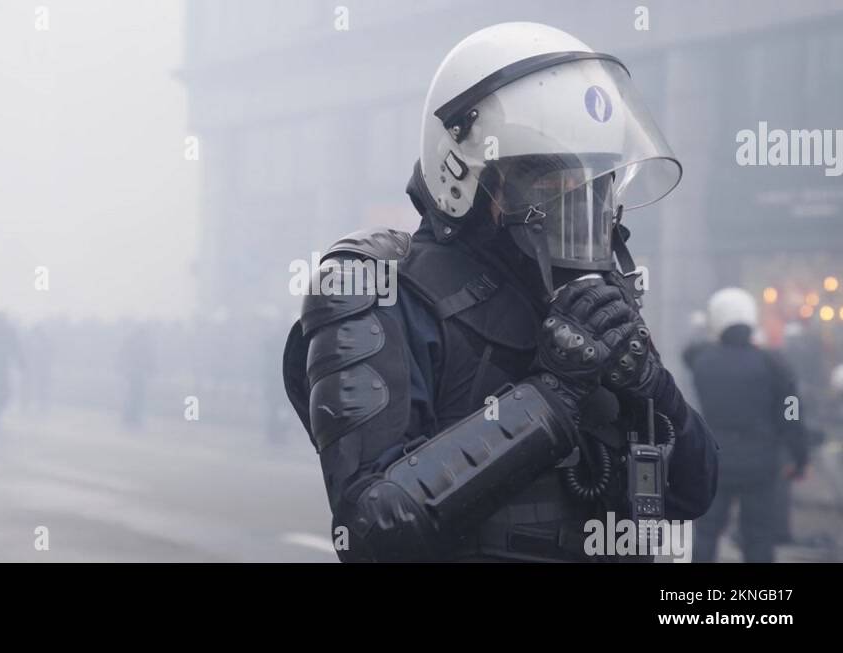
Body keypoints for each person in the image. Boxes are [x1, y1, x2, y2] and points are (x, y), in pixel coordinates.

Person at [282, 23, 718, 562]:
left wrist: (652, 388)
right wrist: (552, 395)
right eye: (546, 183)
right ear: (463, 173)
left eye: (593, 185)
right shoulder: (376, 286)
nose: (575, 208)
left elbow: (694, 492)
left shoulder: (593, 296)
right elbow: (374, 526)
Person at [688, 288, 808, 562]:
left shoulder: (702, 361)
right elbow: (791, 411)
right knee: (758, 536)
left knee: (706, 533)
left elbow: (691, 350)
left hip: (715, 461)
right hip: (761, 463)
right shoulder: (774, 364)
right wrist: (799, 456)